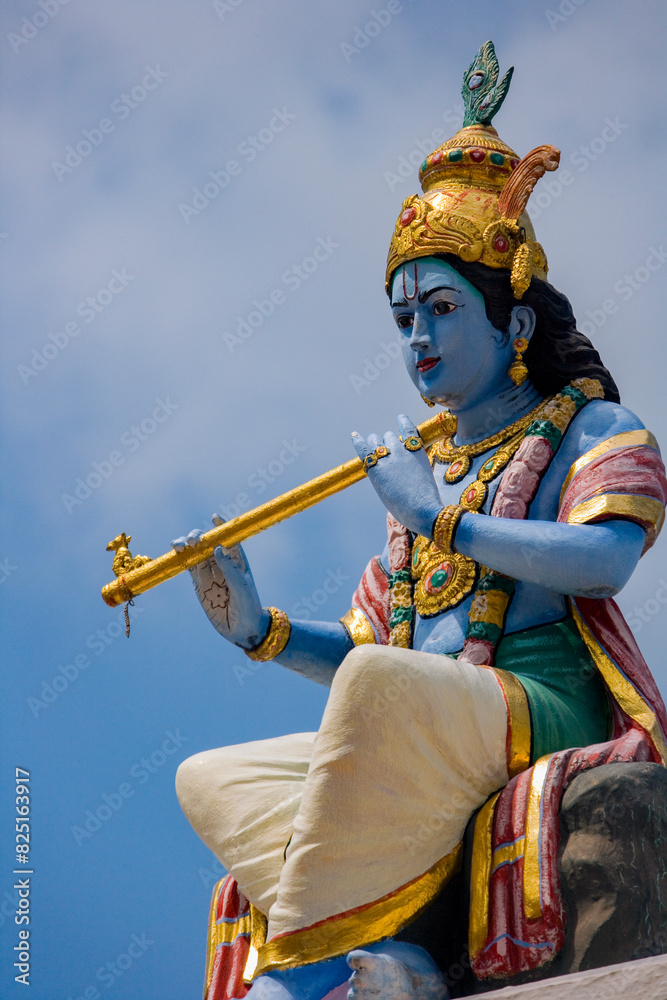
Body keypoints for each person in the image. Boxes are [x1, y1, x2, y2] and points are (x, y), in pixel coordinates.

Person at [172, 43, 667, 1000]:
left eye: (439, 310)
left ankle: (301, 973)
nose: (417, 340)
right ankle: (396, 948)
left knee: (379, 693)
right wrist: (260, 631)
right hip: (419, 715)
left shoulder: (591, 428)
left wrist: (445, 524)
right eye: (403, 319)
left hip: (535, 705)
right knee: (211, 778)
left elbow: (605, 563)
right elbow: (368, 649)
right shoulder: (428, 475)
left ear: (515, 327)